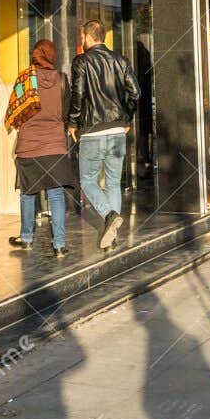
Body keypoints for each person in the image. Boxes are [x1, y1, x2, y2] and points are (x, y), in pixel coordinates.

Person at [67, 19, 140, 250]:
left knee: (87, 181)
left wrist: (72, 123)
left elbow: (77, 95)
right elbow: (135, 93)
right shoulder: (121, 61)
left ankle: (108, 215)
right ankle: (112, 237)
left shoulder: (81, 61)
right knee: (113, 183)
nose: (81, 40)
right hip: (118, 131)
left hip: (92, 131)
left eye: (82, 37)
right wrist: (126, 118)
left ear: (88, 37)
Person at [8, 39, 77, 257]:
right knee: (56, 195)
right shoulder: (63, 80)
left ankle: (27, 238)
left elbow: (15, 109)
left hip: (29, 145)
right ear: (53, 56)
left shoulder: (24, 78)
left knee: (28, 194)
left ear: (35, 55)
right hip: (55, 144)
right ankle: (59, 244)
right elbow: (66, 113)